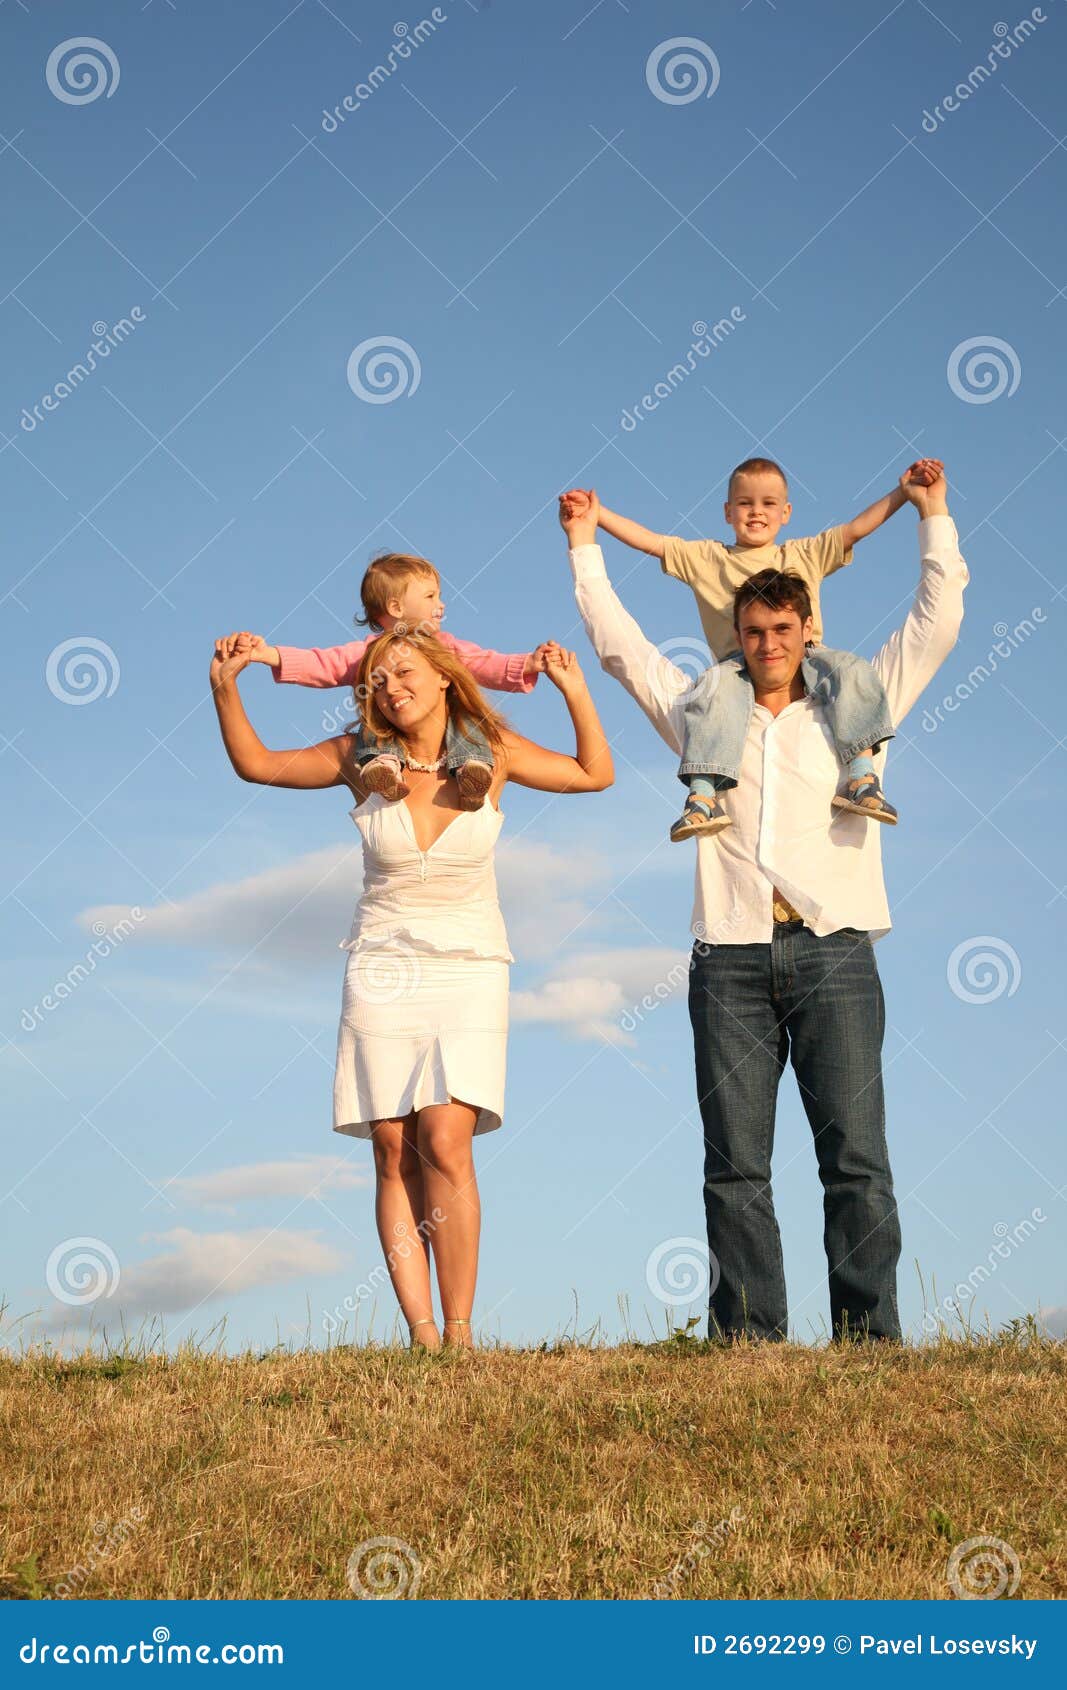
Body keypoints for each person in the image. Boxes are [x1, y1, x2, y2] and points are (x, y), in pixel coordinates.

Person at [559, 470, 967, 1343]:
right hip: (730, 958)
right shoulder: (705, 714)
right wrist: (583, 546)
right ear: (734, 637)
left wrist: (931, 516)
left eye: (783, 629)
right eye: (752, 631)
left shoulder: (857, 711)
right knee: (735, 1166)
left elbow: (935, 624)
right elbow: (624, 650)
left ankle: (867, 1341)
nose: (769, 643)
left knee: (855, 1157)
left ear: (807, 627)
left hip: (835, 951)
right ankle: (747, 1339)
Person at [210, 627, 613, 1351]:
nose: (390, 687)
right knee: (392, 1145)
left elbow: (594, 774)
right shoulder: (356, 759)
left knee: (445, 1137)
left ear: (444, 676)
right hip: (380, 965)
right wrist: (225, 689)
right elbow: (257, 765)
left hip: (469, 964)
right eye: (376, 681)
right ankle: (421, 1333)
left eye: (403, 673)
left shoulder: (495, 753)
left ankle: (460, 1330)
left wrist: (574, 691)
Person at [562, 457, 944, 841]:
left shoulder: (802, 554)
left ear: (786, 512)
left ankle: (862, 776)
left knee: (852, 671)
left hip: (810, 656)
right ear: (728, 511)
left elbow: (855, 530)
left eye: (768, 503)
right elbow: (653, 542)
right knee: (712, 698)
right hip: (735, 668)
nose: (756, 512)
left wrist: (905, 495)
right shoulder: (707, 558)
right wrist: (599, 517)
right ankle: (702, 796)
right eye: (745, 503)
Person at [236, 549, 554, 810]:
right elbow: (323, 663)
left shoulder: (447, 646)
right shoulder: (369, 653)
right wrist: (270, 654)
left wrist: (528, 663)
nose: (440, 605)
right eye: (430, 596)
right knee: (374, 728)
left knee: (466, 720)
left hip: (445, 732)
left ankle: (473, 770)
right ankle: (383, 767)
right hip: (391, 732)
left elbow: (486, 663)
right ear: (396, 607)